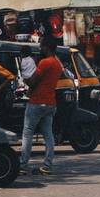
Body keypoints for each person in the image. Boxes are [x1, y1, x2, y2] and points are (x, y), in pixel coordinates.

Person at [20, 36, 63, 176]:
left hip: (37, 102)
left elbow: (33, 82)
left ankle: (23, 164)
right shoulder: (57, 64)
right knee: (48, 135)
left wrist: (25, 79)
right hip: (50, 103)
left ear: (46, 47)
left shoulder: (45, 63)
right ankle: (47, 165)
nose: (40, 48)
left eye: (41, 46)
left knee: (27, 133)